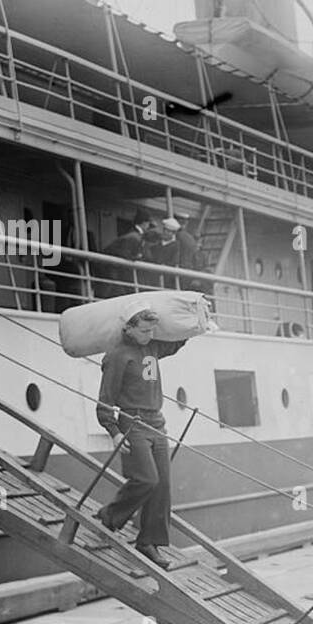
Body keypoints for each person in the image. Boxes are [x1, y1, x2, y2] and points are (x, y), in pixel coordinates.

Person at [94, 305, 186, 569]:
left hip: (157, 423)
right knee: (146, 479)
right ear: (129, 328)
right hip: (132, 423)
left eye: (152, 330)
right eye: (144, 330)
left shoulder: (153, 347)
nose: (149, 334)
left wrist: (194, 324)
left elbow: (176, 344)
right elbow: (105, 399)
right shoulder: (117, 356)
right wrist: (113, 432)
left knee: (163, 485)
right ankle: (110, 515)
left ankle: (149, 542)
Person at [96, 223, 145, 298]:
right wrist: (135, 257)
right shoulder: (134, 237)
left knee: (115, 289)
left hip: (111, 266)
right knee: (106, 288)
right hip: (109, 266)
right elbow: (124, 252)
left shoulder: (132, 235)